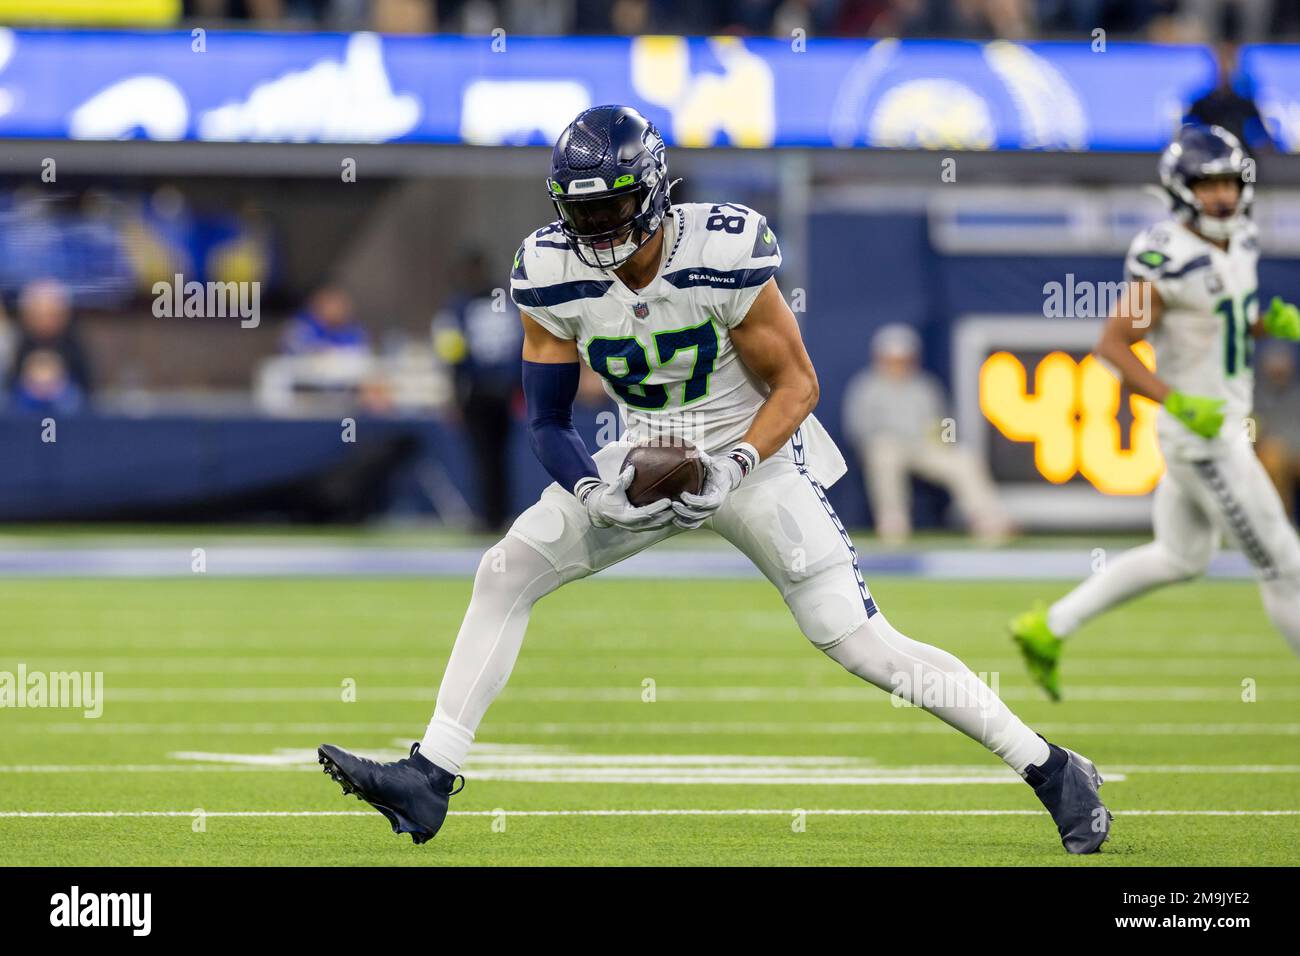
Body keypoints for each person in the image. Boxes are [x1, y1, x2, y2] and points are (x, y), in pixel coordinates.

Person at [319, 105, 1110, 854]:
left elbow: (798, 385)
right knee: (506, 569)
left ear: (656, 193)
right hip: (645, 458)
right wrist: (593, 491)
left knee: (862, 643)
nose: (595, 230)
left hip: (752, 456)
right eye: (581, 212)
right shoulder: (549, 269)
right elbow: (548, 421)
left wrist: (733, 464)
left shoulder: (722, 248)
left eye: (612, 208)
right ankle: (431, 777)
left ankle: (1050, 768)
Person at [1010, 125, 1300, 701]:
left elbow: (1219, 321)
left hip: (1215, 426)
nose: (1220, 195)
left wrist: (1265, 324)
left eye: (1226, 182)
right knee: (1284, 565)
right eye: (1206, 184)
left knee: (1180, 556)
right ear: (1181, 189)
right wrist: (1177, 400)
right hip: (1204, 439)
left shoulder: (1240, 238)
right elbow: (1113, 344)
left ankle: (1049, 627)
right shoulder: (1166, 257)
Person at [843, 323, 1012, 544]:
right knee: (883, 455)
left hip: (923, 449)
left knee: (963, 459)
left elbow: (942, 423)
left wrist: (943, 441)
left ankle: (988, 519)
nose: (898, 365)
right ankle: (893, 523)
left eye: (903, 359)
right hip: (889, 448)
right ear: (881, 358)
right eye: (892, 359)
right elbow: (859, 429)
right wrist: (880, 441)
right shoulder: (867, 388)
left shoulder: (925, 387)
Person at [432, 250, 524, 533]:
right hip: (505, 391)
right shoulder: (508, 302)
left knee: (484, 456)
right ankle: (501, 514)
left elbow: (452, 352)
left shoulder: (459, 306)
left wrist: (455, 395)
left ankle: (488, 517)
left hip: (477, 391)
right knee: (501, 456)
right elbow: (525, 344)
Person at [5, 278, 94, 399]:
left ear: (63, 315)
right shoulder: (17, 345)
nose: (44, 321)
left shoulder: (74, 346)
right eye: (37, 314)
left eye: (51, 314)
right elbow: (9, 388)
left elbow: (87, 390)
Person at [1255, 343, 1300, 521]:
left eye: (1283, 363)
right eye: (1274, 364)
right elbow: (1248, 430)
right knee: (1273, 458)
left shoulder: (1297, 394)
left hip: (1295, 452)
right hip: (1269, 454)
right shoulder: (1255, 395)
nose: (1279, 369)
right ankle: (1279, 521)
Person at [280, 285, 368, 355]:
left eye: (340, 306)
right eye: (331, 305)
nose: (336, 310)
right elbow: (292, 346)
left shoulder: (351, 328)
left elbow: (360, 351)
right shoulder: (302, 325)